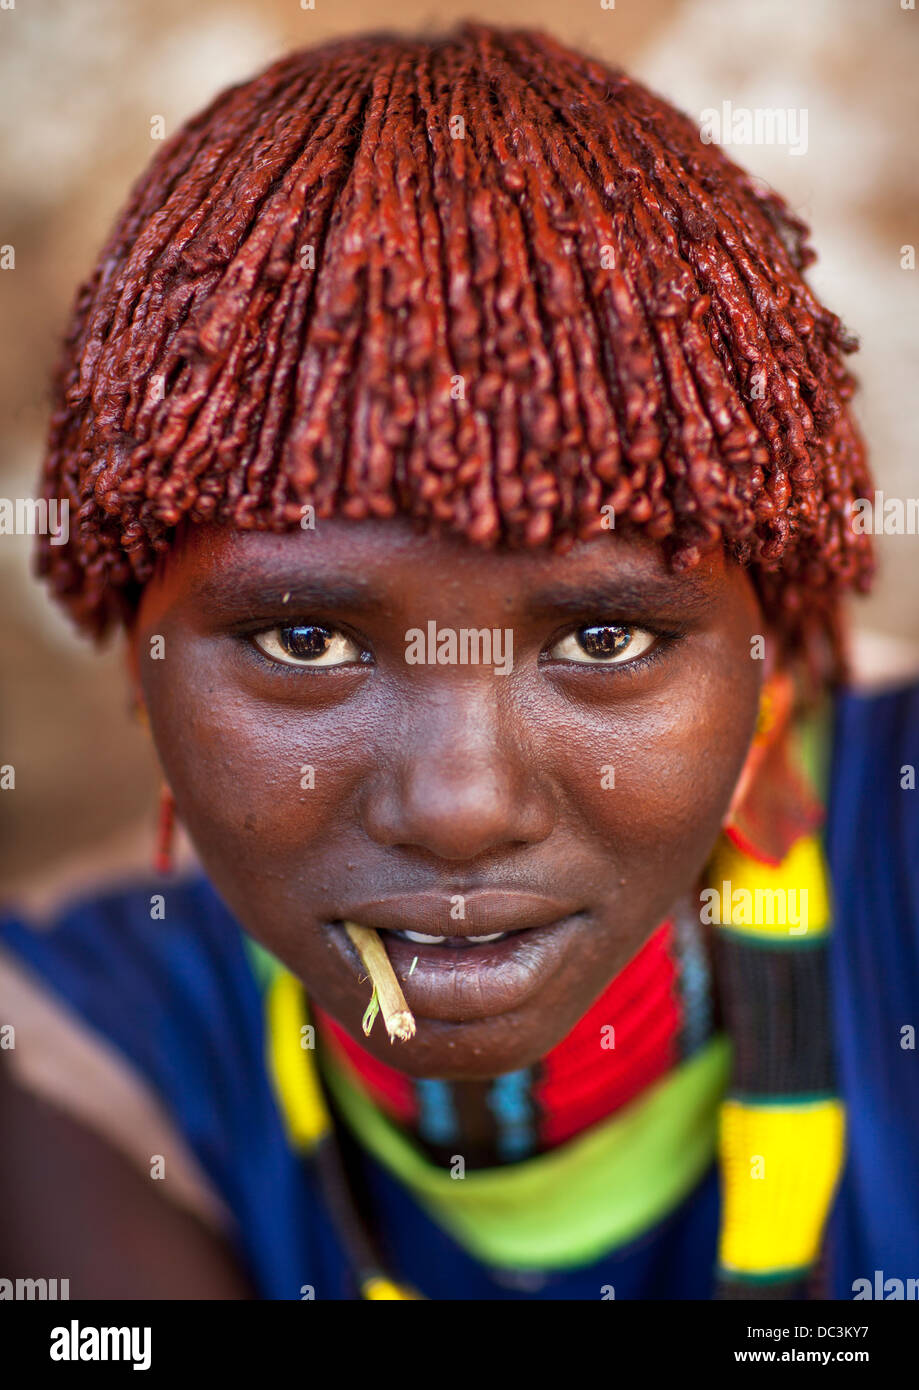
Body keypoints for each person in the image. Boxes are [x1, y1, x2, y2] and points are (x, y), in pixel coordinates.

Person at [1, 22, 916, 1302]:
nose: (459, 808)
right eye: (305, 640)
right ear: (135, 661)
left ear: (781, 651)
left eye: (604, 637)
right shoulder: (78, 1062)